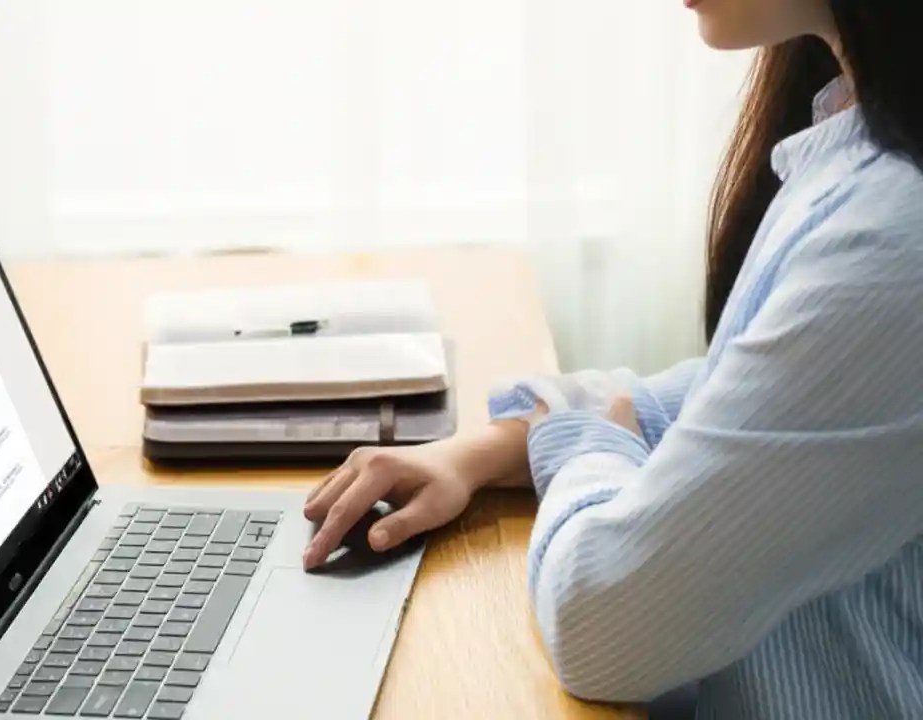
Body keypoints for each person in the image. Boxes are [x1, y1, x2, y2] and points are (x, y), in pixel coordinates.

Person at [302, 1, 923, 717]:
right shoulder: (857, 151)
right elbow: (758, 388)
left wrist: (585, 447)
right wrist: (486, 451)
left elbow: (603, 624)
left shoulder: (891, 238)